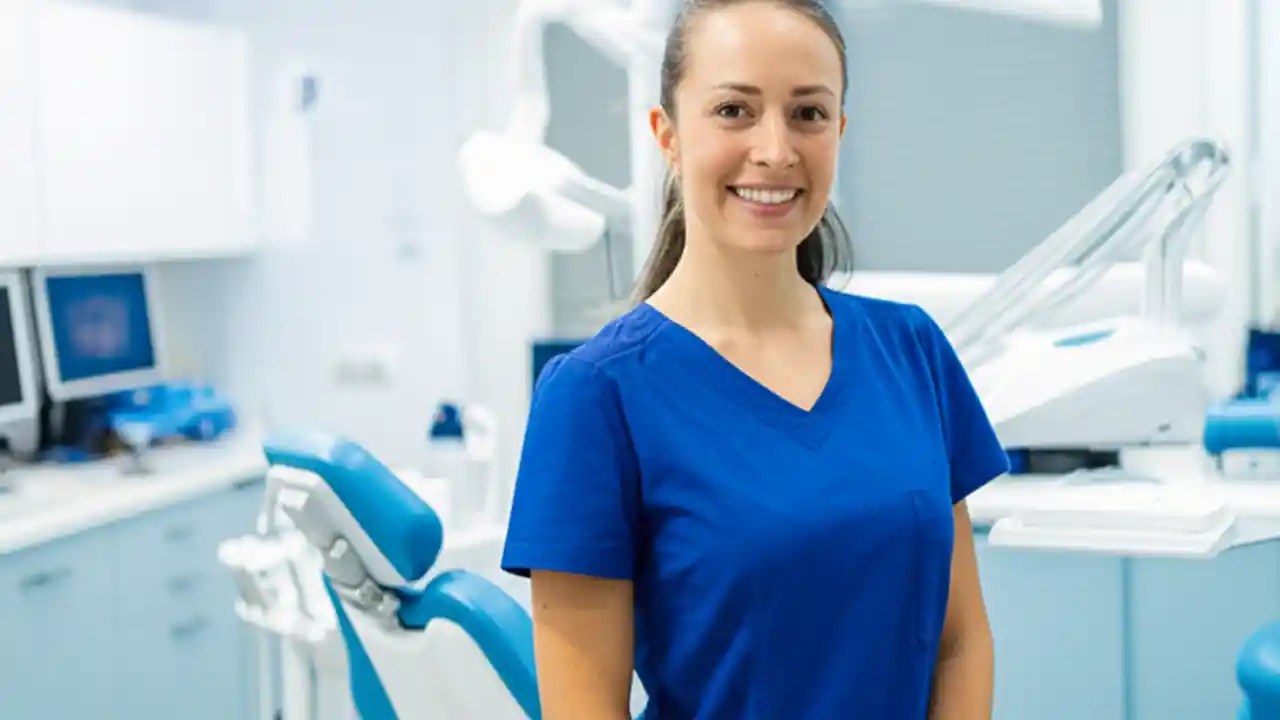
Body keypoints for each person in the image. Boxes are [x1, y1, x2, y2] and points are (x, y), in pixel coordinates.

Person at [500, 1, 1010, 717]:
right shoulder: (596, 396)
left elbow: (958, 642)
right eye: (735, 110)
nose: (775, 150)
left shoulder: (910, 351)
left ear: (839, 130)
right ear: (668, 135)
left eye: (808, 113)